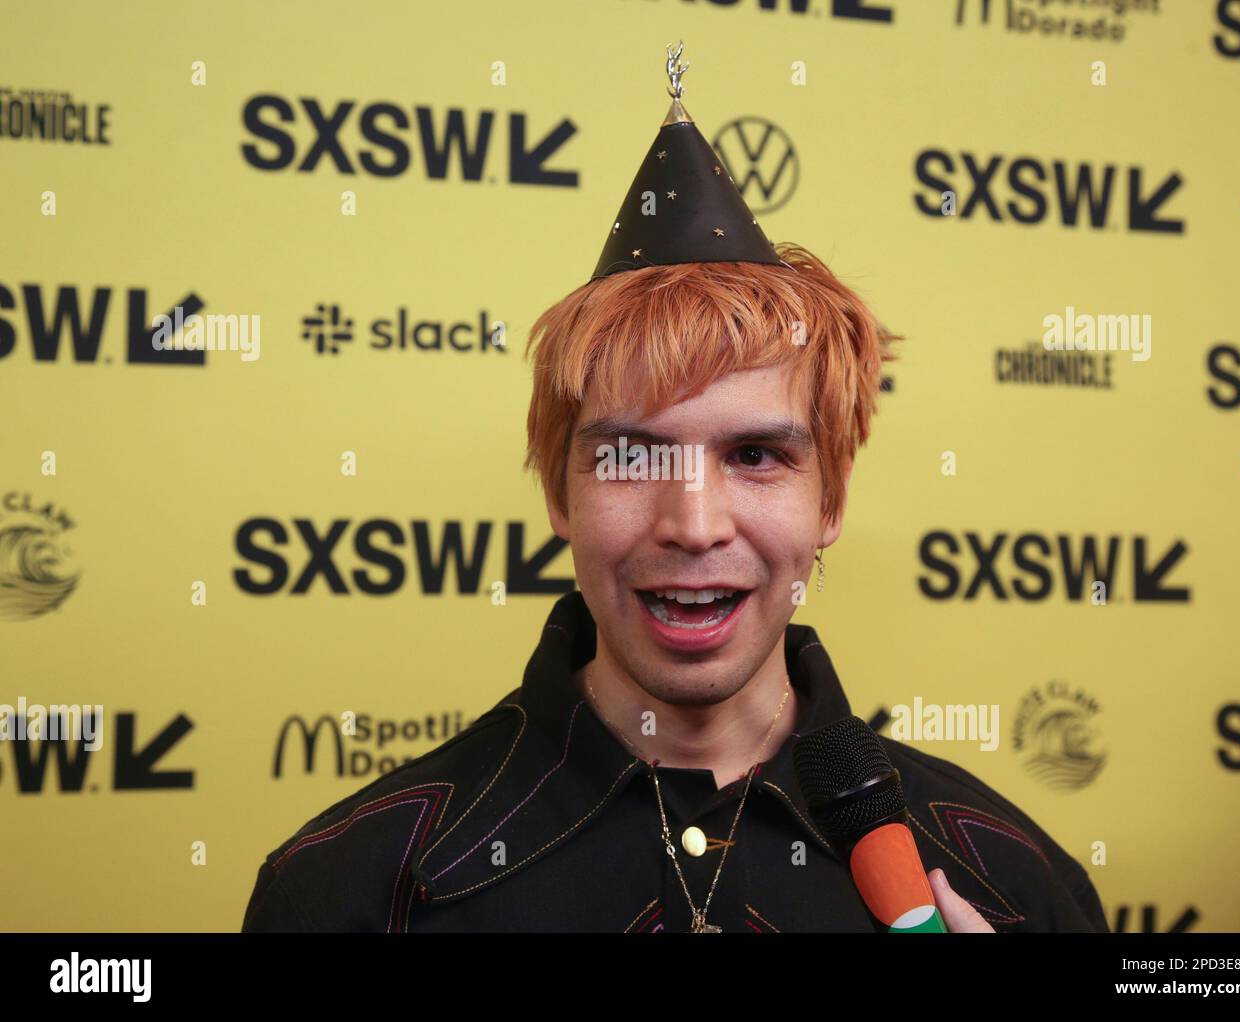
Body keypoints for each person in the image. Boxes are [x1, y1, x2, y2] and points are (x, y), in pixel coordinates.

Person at [242, 44, 1107, 934]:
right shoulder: (353, 887)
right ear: (560, 494)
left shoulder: (1005, 878)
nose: (694, 525)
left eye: (757, 456)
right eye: (632, 457)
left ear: (832, 502)